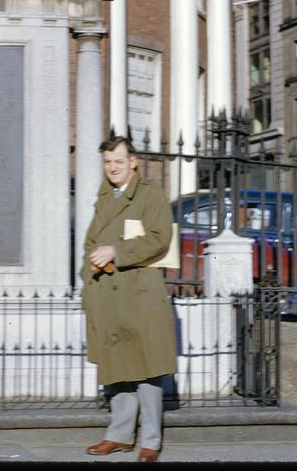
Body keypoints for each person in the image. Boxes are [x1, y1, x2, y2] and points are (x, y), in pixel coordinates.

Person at [80, 135, 177, 463]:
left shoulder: (150, 194)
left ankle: (150, 441)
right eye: (107, 162)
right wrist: (87, 277)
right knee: (116, 365)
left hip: (139, 294)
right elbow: (91, 242)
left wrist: (116, 252)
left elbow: (159, 239)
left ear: (133, 162)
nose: (113, 168)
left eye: (119, 161)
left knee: (148, 367)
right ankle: (119, 436)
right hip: (107, 293)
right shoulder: (104, 196)